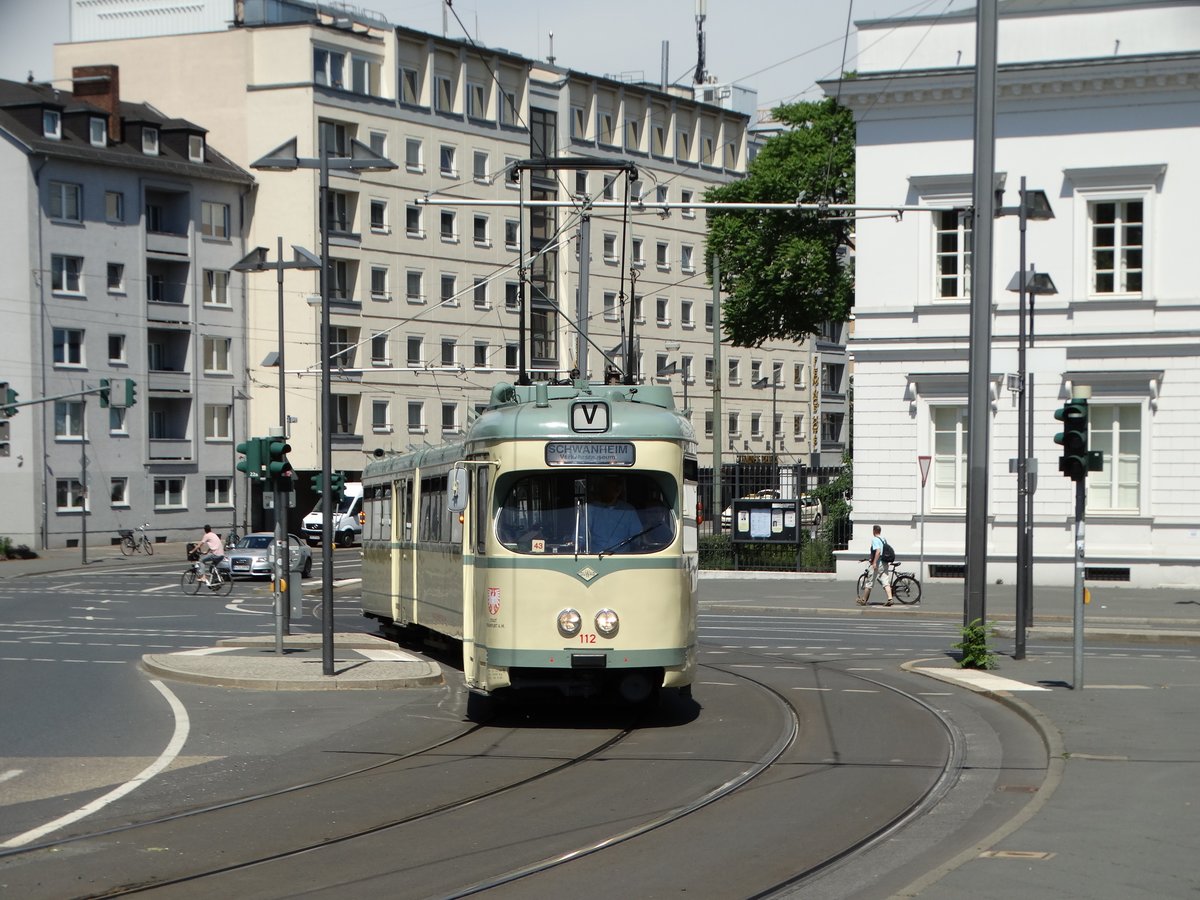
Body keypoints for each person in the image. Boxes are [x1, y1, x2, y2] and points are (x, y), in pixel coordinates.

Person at [583, 475, 641, 552]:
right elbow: (580, 536)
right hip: (595, 558)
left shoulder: (629, 510)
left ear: (619, 491)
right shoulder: (591, 509)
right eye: (606, 488)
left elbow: (637, 539)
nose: (609, 491)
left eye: (613, 488)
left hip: (623, 559)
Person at [860, 524, 897, 606]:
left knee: (870, 581)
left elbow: (878, 551)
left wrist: (874, 562)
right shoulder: (883, 539)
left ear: (874, 531)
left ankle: (863, 600)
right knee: (885, 581)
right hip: (885, 562)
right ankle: (890, 599)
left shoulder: (875, 539)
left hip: (878, 562)